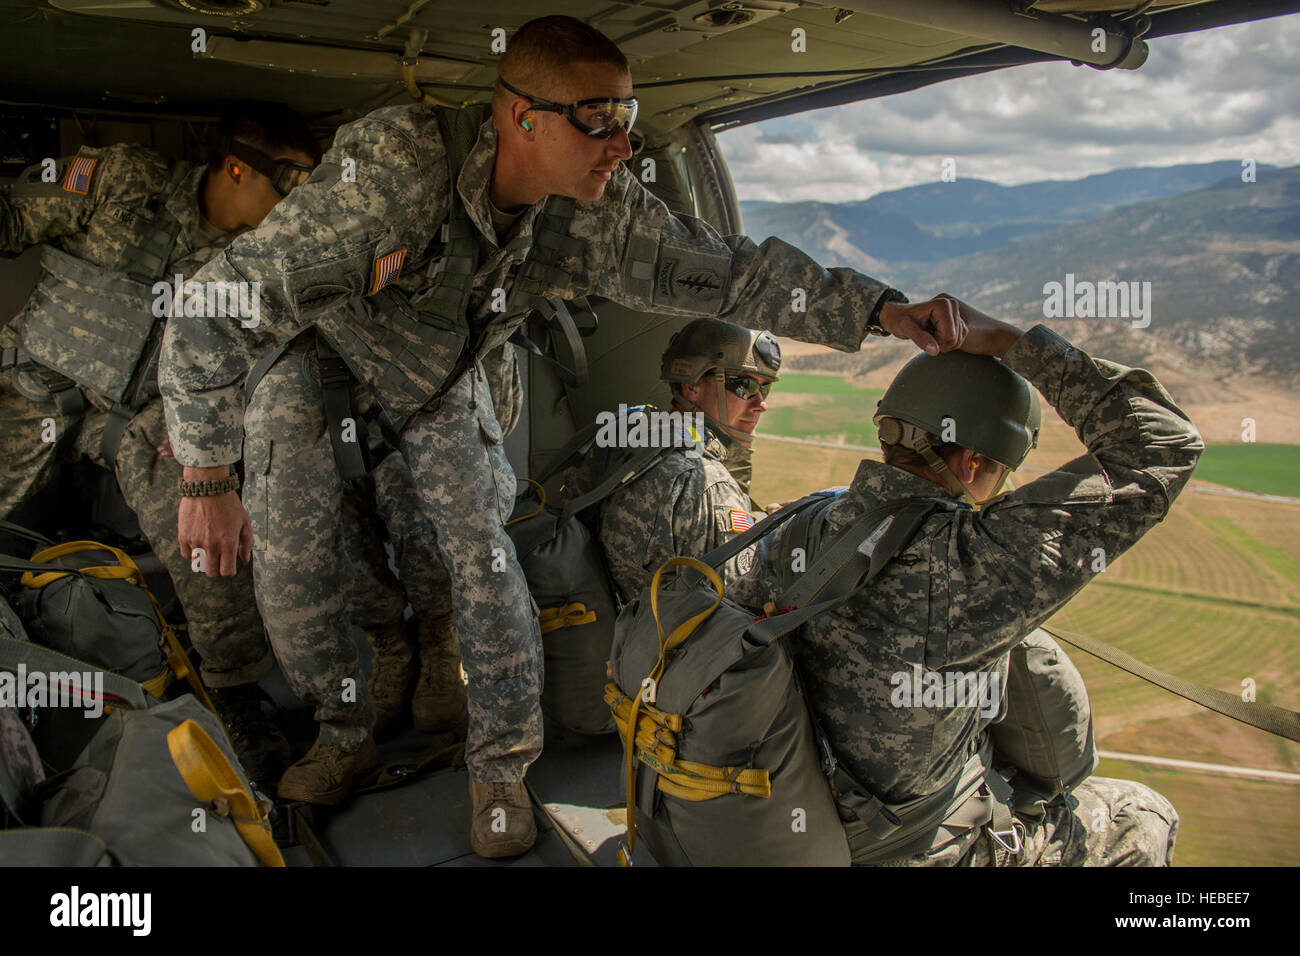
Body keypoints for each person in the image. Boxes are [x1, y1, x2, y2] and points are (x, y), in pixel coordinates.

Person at [159, 15, 968, 858]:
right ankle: (344, 728)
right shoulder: (396, 171)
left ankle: (501, 768)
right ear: (522, 116)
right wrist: (207, 477)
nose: (622, 145)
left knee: (483, 548)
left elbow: (728, 266)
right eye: (598, 120)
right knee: (291, 554)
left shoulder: (592, 213)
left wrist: (881, 310)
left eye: (628, 117)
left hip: (443, 367)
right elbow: (213, 309)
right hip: (321, 351)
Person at [730, 299, 1202, 866]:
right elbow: (1163, 443)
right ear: (974, 462)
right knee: (1138, 816)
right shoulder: (973, 559)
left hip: (766, 823)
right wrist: (1009, 342)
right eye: (1003, 472)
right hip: (901, 850)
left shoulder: (798, 521)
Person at [0, 102, 319, 786]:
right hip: (37, 380)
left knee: (207, 524)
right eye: (288, 180)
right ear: (237, 167)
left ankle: (235, 691)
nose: (297, 201)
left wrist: (217, 438)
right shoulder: (124, 180)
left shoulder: (260, 263)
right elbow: (13, 213)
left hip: (150, 418)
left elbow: (265, 360)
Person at [241, 333, 520, 803]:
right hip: (311, 408)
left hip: (414, 393)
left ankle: (439, 643)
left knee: (420, 508)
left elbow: (495, 403)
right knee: (329, 536)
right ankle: (389, 655)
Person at [592, 318, 778, 603]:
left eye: (764, 389)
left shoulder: (632, 436)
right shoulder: (706, 482)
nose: (760, 404)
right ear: (692, 387)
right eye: (745, 387)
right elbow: (741, 603)